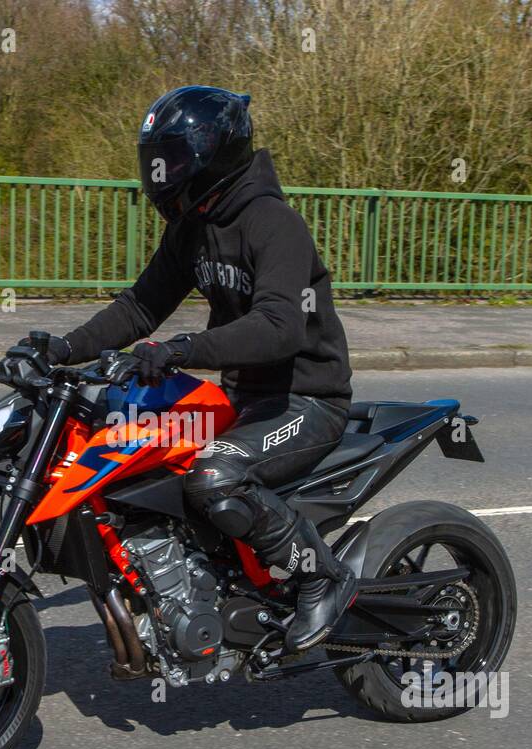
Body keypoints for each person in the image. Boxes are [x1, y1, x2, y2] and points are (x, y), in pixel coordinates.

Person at [35, 85, 356, 651]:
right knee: (129, 454)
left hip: (305, 402)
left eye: (175, 158)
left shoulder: (273, 223)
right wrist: (61, 349)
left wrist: (184, 350)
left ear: (217, 154)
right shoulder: (193, 228)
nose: (162, 173)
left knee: (216, 475)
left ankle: (321, 577)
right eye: (156, 159)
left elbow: (281, 327)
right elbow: (139, 306)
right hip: (242, 400)